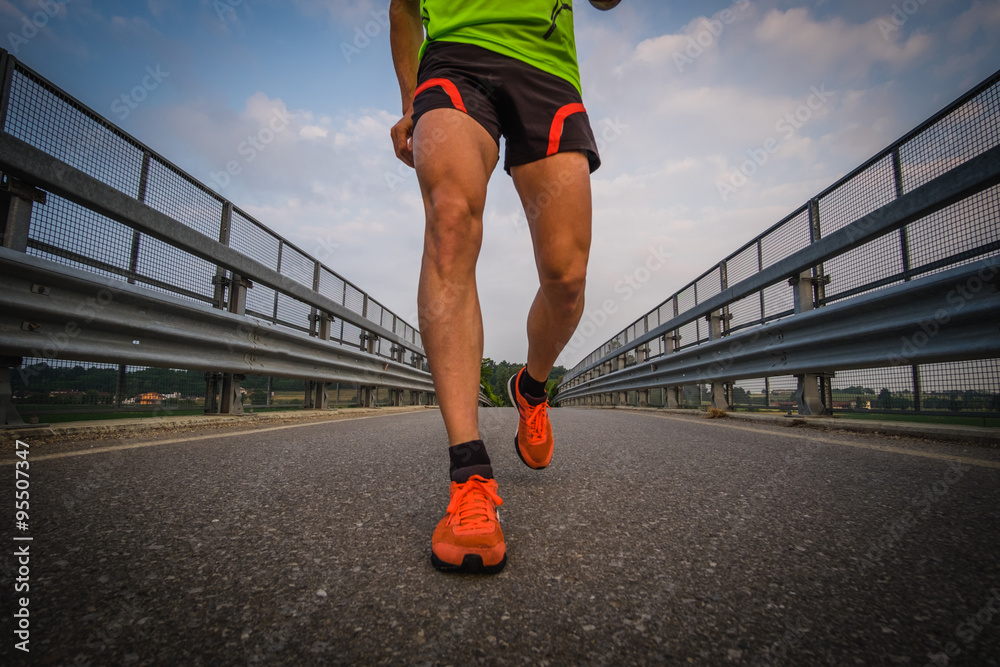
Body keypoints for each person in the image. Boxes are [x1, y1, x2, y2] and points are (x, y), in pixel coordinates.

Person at [389, 0, 607, 574]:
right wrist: (411, 101)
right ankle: (470, 477)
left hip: (546, 70)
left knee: (566, 278)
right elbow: (403, 9)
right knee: (450, 222)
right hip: (454, 60)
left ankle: (530, 388)